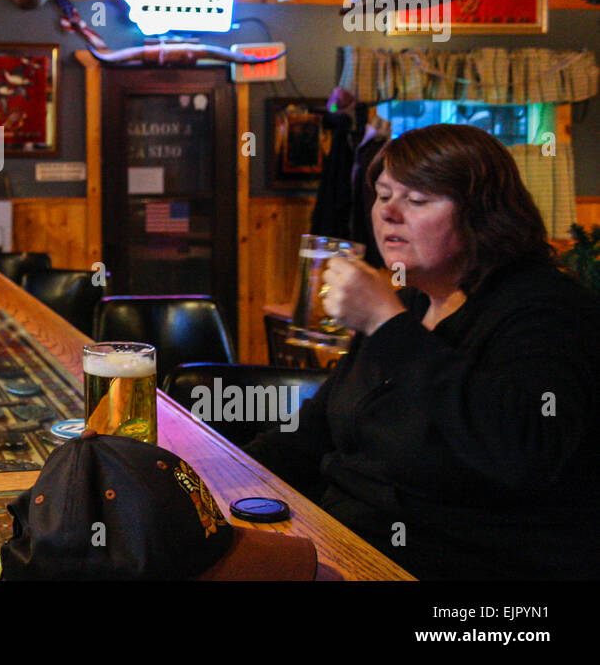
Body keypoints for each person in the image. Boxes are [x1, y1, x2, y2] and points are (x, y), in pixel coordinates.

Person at [246, 123, 600, 579]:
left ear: (484, 214)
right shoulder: (410, 299)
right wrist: (221, 474)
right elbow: (316, 431)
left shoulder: (547, 309)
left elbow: (523, 451)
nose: (388, 213)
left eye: (417, 200)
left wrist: (385, 324)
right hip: (342, 542)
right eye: (382, 193)